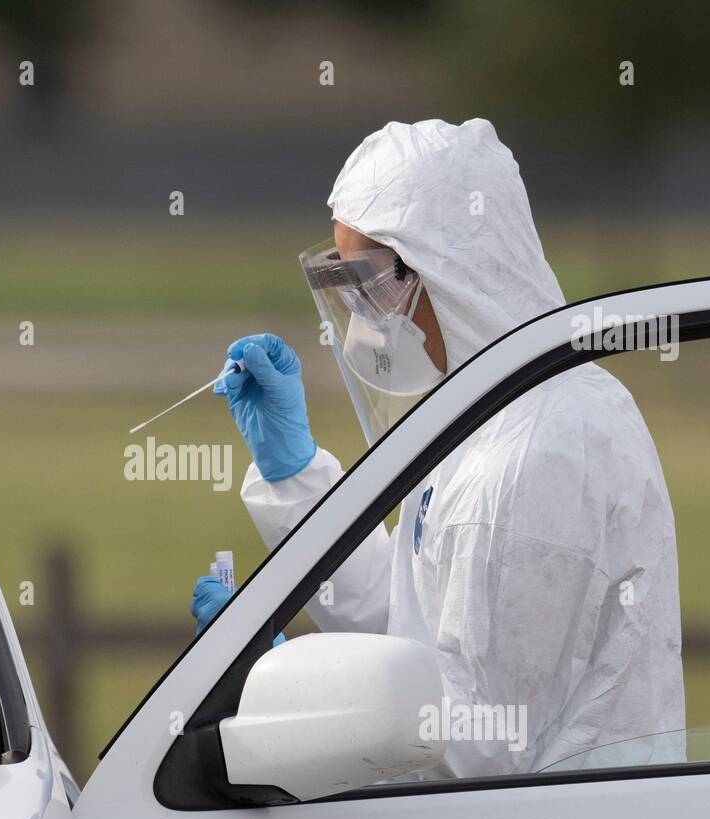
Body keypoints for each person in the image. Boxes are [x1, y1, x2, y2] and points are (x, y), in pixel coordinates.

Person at [192, 118, 683, 776]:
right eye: (346, 289)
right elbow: (408, 626)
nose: (362, 318)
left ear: (451, 271)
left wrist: (286, 687)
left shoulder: (545, 448)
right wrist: (296, 475)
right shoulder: (488, 415)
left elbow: (477, 747)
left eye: (368, 287)